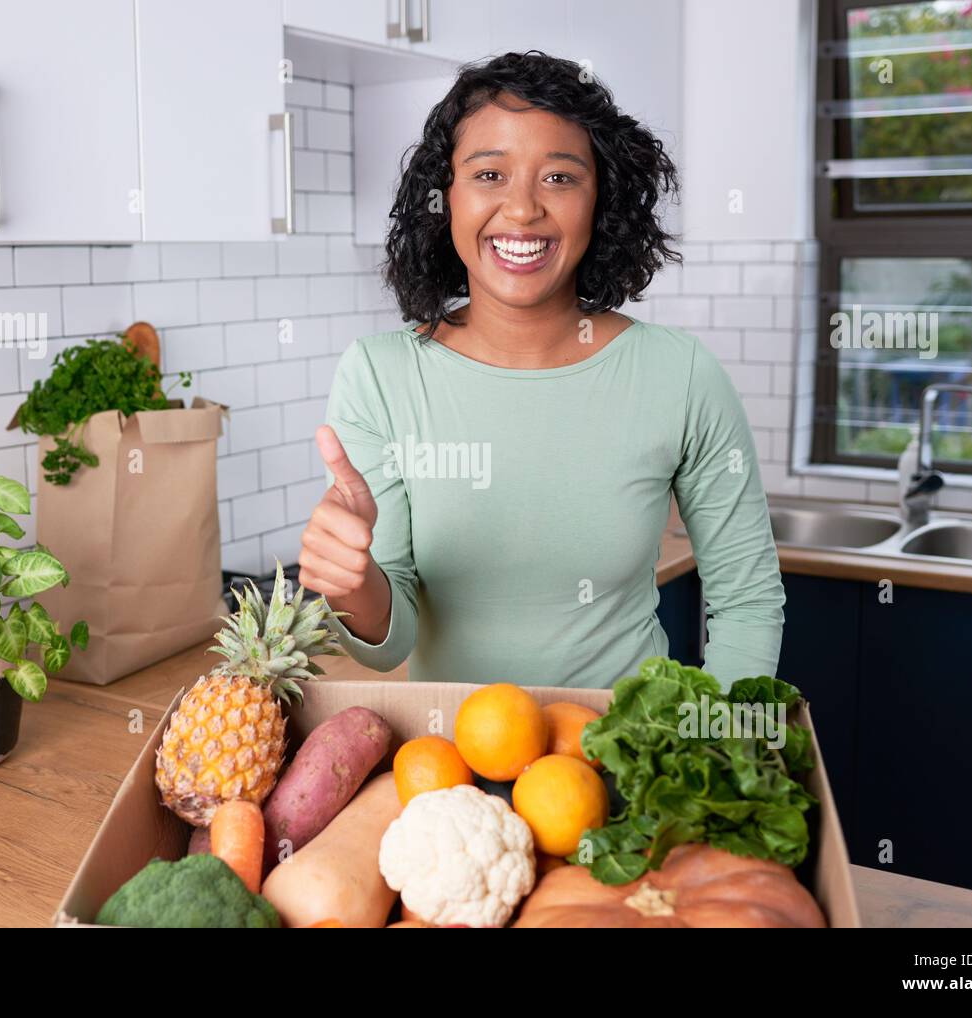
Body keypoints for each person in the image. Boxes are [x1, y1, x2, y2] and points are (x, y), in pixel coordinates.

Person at [297, 51, 784, 690]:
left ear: (599, 200)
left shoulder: (681, 374)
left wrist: (717, 754)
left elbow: (745, 598)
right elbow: (391, 648)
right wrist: (354, 581)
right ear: (446, 197)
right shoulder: (379, 376)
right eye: (489, 173)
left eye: (559, 178)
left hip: (623, 756)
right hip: (451, 769)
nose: (522, 210)